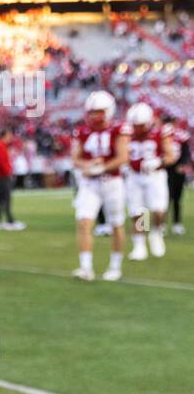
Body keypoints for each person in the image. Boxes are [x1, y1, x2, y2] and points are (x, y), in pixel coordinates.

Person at [71, 91, 131, 282]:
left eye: (99, 112)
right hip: (92, 182)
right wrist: (89, 166)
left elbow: (123, 157)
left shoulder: (120, 129)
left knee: (126, 219)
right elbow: (76, 158)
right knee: (84, 221)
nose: (95, 116)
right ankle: (86, 267)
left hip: (120, 180)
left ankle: (147, 237)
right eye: (92, 112)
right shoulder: (83, 131)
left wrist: (102, 167)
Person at [124, 102, 176, 261]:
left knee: (158, 209)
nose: (137, 129)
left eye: (140, 125)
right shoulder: (127, 133)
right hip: (135, 176)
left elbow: (170, 156)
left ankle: (156, 233)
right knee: (139, 212)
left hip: (155, 176)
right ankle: (139, 245)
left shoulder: (160, 133)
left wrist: (158, 162)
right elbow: (122, 153)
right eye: (135, 125)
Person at [0, 127, 25, 231]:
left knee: (0, 199)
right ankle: (10, 221)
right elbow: (2, 163)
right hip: (3, 176)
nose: (11, 137)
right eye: (9, 135)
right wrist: (8, 172)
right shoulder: (0, 146)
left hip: (0, 176)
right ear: (4, 135)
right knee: (6, 199)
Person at [165, 114, 190, 235]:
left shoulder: (181, 135)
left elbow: (186, 153)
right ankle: (149, 229)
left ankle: (176, 223)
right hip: (158, 172)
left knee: (176, 198)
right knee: (160, 201)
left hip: (174, 170)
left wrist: (183, 164)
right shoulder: (156, 134)